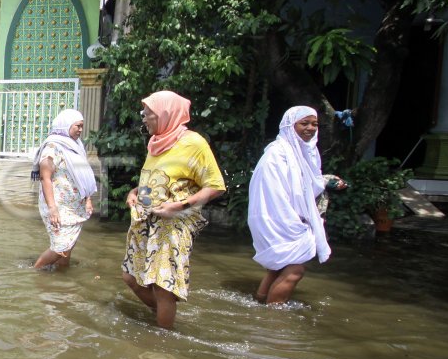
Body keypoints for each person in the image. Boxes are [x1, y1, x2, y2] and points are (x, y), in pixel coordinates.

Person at [122, 90, 226, 329]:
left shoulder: (193, 143)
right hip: (144, 221)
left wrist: (179, 206)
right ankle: (164, 317)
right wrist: (135, 192)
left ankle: (163, 339)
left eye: (148, 114)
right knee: (131, 277)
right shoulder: (155, 142)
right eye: (144, 114)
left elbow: (215, 186)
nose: (144, 119)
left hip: (173, 225)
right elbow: (158, 177)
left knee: (162, 286)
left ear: (165, 114)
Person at [248, 106, 346, 304]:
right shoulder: (277, 154)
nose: (310, 128)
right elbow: (273, 193)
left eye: (314, 124)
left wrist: (326, 181)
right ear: (289, 125)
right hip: (277, 219)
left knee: (278, 268)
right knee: (295, 271)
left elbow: (309, 184)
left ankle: (258, 304)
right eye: (304, 123)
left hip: (290, 217)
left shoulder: (306, 152)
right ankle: (273, 320)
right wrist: (296, 221)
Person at [32, 109, 97, 270]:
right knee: (60, 247)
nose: (81, 130)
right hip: (58, 206)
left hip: (75, 205)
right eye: (78, 126)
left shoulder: (75, 145)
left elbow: (84, 174)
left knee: (68, 247)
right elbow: (45, 177)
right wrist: (52, 209)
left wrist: (88, 199)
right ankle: (35, 272)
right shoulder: (52, 147)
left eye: (82, 126)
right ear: (66, 125)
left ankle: (62, 280)